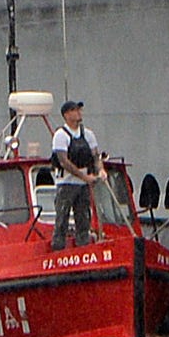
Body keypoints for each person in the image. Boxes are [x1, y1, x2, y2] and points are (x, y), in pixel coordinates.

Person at [48, 97, 104, 248]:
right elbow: (64, 161)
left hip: (83, 184)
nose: (78, 113)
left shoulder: (88, 134)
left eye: (79, 109)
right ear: (66, 115)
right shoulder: (61, 135)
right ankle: (58, 250)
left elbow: (95, 156)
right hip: (66, 183)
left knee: (83, 219)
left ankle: (83, 249)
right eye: (74, 110)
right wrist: (85, 177)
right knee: (62, 219)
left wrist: (101, 170)